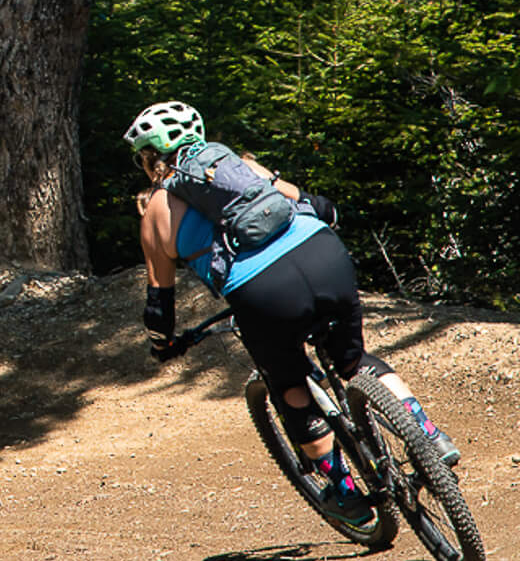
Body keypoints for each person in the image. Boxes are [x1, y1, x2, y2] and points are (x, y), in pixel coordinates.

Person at [125, 100, 458, 527]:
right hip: (324, 255)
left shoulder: (155, 210)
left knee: (288, 383)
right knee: (354, 360)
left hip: (264, 291)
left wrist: (164, 344)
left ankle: (344, 491)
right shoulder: (238, 164)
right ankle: (428, 434)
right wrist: (329, 214)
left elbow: (159, 303)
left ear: (152, 158)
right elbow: (315, 205)